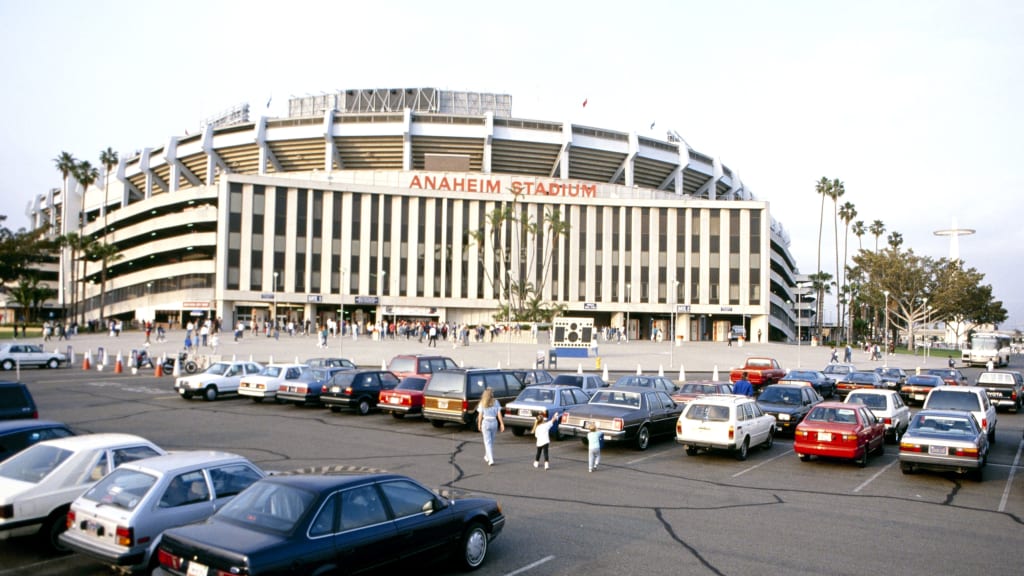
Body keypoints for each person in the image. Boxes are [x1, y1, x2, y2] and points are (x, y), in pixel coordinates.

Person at [476, 387, 504, 465]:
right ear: (491, 394)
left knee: (487, 442)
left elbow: (480, 414)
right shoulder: (496, 402)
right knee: (491, 441)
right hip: (494, 422)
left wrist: (479, 424)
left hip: (486, 422)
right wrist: (501, 423)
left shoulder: (482, 402)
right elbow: (499, 413)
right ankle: (487, 456)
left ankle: (490, 459)